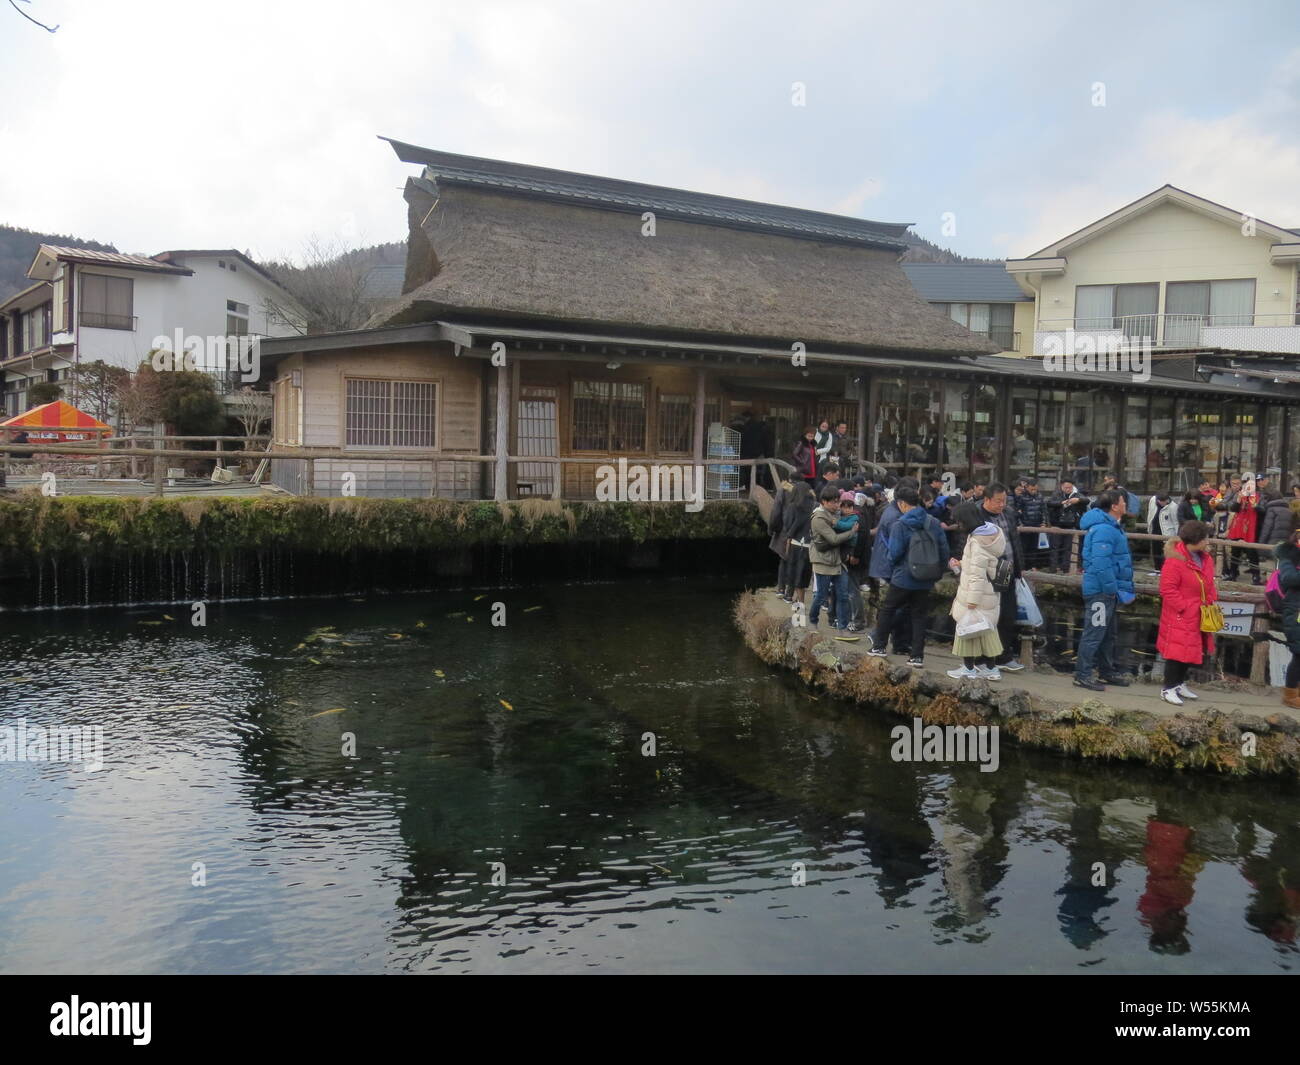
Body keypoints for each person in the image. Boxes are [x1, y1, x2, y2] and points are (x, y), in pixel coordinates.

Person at [867, 485, 950, 668]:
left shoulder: (901, 524)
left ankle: (879, 646)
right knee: (919, 615)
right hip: (926, 578)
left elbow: (894, 553)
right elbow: (944, 551)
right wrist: (936, 573)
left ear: (903, 504)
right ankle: (917, 656)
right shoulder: (933, 522)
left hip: (903, 576)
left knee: (888, 609)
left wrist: (895, 566)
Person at [952, 483, 1025, 672]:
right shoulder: (976, 517)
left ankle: (1001, 657)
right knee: (987, 618)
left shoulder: (1007, 515)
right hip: (987, 575)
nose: (1002, 505)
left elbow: (1014, 540)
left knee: (1007, 614)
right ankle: (985, 660)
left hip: (1005, 570)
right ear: (986, 499)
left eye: (1004, 501)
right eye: (998, 501)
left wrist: (1019, 568)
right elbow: (965, 546)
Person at [1074, 490, 1135, 691]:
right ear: (1115, 506)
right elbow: (1101, 563)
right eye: (1123, 501)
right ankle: (1083, 674)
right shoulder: (1104, 529)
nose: (1126, 504)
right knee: (1094, 632)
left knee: (1108, 634)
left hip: (1106, 590)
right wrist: (1111, 588)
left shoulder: (1109, 527)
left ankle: (1106, 670)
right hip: (1101, 591)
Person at [1156, 520, 1218, 706]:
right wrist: (1185, 607)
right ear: (1197, 540)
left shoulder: (1204, 558)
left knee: (1191, 649)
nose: (1208, 541)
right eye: (1205, 538)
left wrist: (1210, 600)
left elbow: (1208, 582)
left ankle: (1179, 684)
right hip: (1182, 613)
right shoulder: (1174, 561)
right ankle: (1168, 688)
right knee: (1176, 651)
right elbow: (1167, 590)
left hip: (1199, 611)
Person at [946, 520, 1006, 681]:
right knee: (988, 631)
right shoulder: (989, 536)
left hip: (977, 594)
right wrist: (961, 563)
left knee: (967, 629)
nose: (959, 526)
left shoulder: (977, 542)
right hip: (989, 593)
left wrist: (971, 600)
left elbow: (977, 575)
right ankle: (991, 669)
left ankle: (969, 668)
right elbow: (978, 565)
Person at [868, 477, 917, 653]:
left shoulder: (891, 511)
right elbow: (897, 547)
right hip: (889, 566)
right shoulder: (896, 518)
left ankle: (899, 644)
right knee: (898, 606)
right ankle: (879, 634)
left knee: (899, 605)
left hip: (884, 563)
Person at [808, 485, 858, 634]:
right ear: (824, 501)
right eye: (834, 502)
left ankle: (842, 627)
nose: (837, 505)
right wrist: (852, 532)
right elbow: (834, 539)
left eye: (838, 502)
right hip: (823, 561)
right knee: (821, 595)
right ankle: (812, 621)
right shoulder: (818, 518)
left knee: (843, 595)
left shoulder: (835, 514)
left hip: (838, 561)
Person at [1272, 529, 1300, 710]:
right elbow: (1290, 579)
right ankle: (1289, 694)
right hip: (1295, 610)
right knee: (1299, 653)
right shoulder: (1287, 558)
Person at [775, 480, 815, 604]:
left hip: (796, 543)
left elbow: (787, 524)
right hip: (811, 544)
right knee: (805, 573)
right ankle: (801, 600)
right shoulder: (816, 505)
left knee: (793, 570)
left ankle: (789, 596)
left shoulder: (793, 506)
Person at [1046, 479, 1087, 573]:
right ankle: (1053, 568)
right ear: (1061, 487)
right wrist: (1061, 503)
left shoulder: (1076, 495)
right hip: (1057, 524)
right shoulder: (1056, 494)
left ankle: (1066, 568)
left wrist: (1078, 500)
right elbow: (1049, 503)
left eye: (1070, 487)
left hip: (1071, 525)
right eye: (1066, 487)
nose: (1068, 489)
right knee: (1055, 547)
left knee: (1068, 548)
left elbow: (1086, 500)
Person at [1225, 480, 1261, 584]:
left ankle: (1256, 575)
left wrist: (1256, 506)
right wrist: (1238, 500)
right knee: (1235, 551)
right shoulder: (1240, 495)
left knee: (1251, 553)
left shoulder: (1258, 496)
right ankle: (1233, 573)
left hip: (1251, 527)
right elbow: (1233, 509)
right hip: (1238, 526)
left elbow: (1263, 511)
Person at [1016, 478, 1046, 569]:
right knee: (1024, 547)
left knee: (1034, 547)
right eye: (1032, 489)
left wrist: (1044, 522)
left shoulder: (1040, 496)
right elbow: (1017, 512)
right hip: (1025, 525)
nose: (1034, 491)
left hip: (1037, 525)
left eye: (1035, 489)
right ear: (1027, 488)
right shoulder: (1021, 497)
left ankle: (1032, 565)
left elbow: (1044, 510)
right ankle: (1023, 566)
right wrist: (1020, 523)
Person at [1146, 491, 1179, 570]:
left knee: (1166, 551)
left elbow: (1176, 522)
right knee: (1155, 550)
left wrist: (1177, 534)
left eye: (1164, 502)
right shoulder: (1153, 500)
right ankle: (1157, 568)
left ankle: (1166, 569)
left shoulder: (1173, 507)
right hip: (1155, 529)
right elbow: (1150, 513)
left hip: (1167, 532)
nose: (1162, 503)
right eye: (1160, 501)